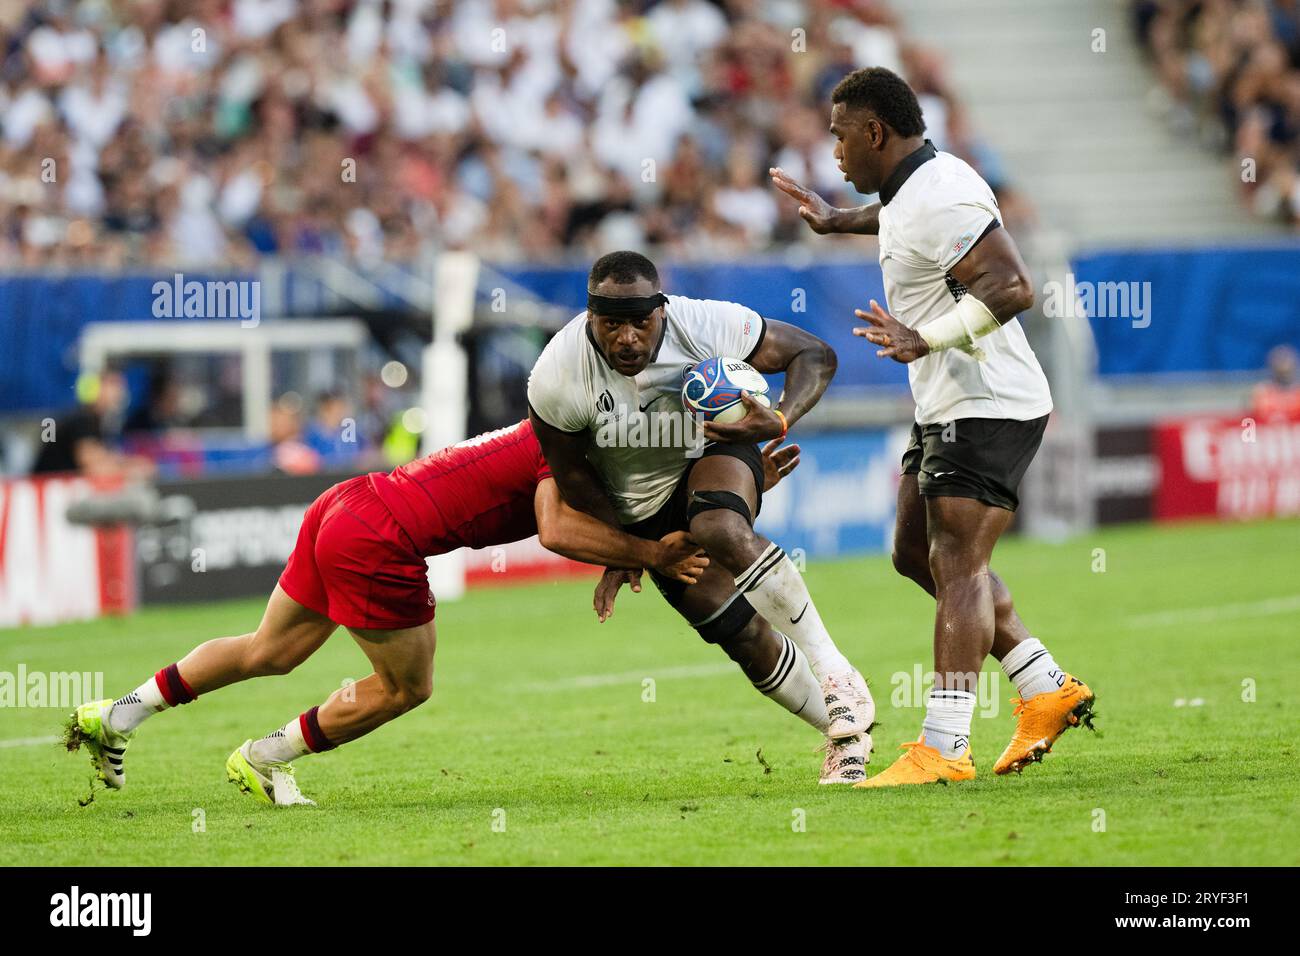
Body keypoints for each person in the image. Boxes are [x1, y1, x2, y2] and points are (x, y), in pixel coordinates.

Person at [66, 419, 713, 805]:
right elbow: (555, 527)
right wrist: (650, 554)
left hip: (350, 502)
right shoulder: (564, 440)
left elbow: (583, 515)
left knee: (272, 649)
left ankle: (115, 715)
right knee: (408, 688)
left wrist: (625, 554)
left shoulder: (558, 425)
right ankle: (265, 758)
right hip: (382, 541)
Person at [772, 67, 1095, 787]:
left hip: (988, 401)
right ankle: (1045, 686)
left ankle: (945, 745)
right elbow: (901, 224)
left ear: (875, 131)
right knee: (913, 550)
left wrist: (927, 338)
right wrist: (835, 220)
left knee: (958, 564)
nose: (835, 152)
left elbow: (1013, 286)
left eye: (840, 136)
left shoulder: (942, 192)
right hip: (948, 402)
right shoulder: (915, 190)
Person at [527, 250, 874, 785]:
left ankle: (836, 673)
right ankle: (847, 737)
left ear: (662, 312)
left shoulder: (706, 323)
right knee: (738, 635)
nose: (627, 338)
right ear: (589, 316)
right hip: (642, 511)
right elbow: (574, 479)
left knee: (719, 527)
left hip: (712, 457)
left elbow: (815, 353)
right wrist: (623, 551)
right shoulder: (555, 375)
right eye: (611, 324)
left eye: (640, 322)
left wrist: (779, 417)